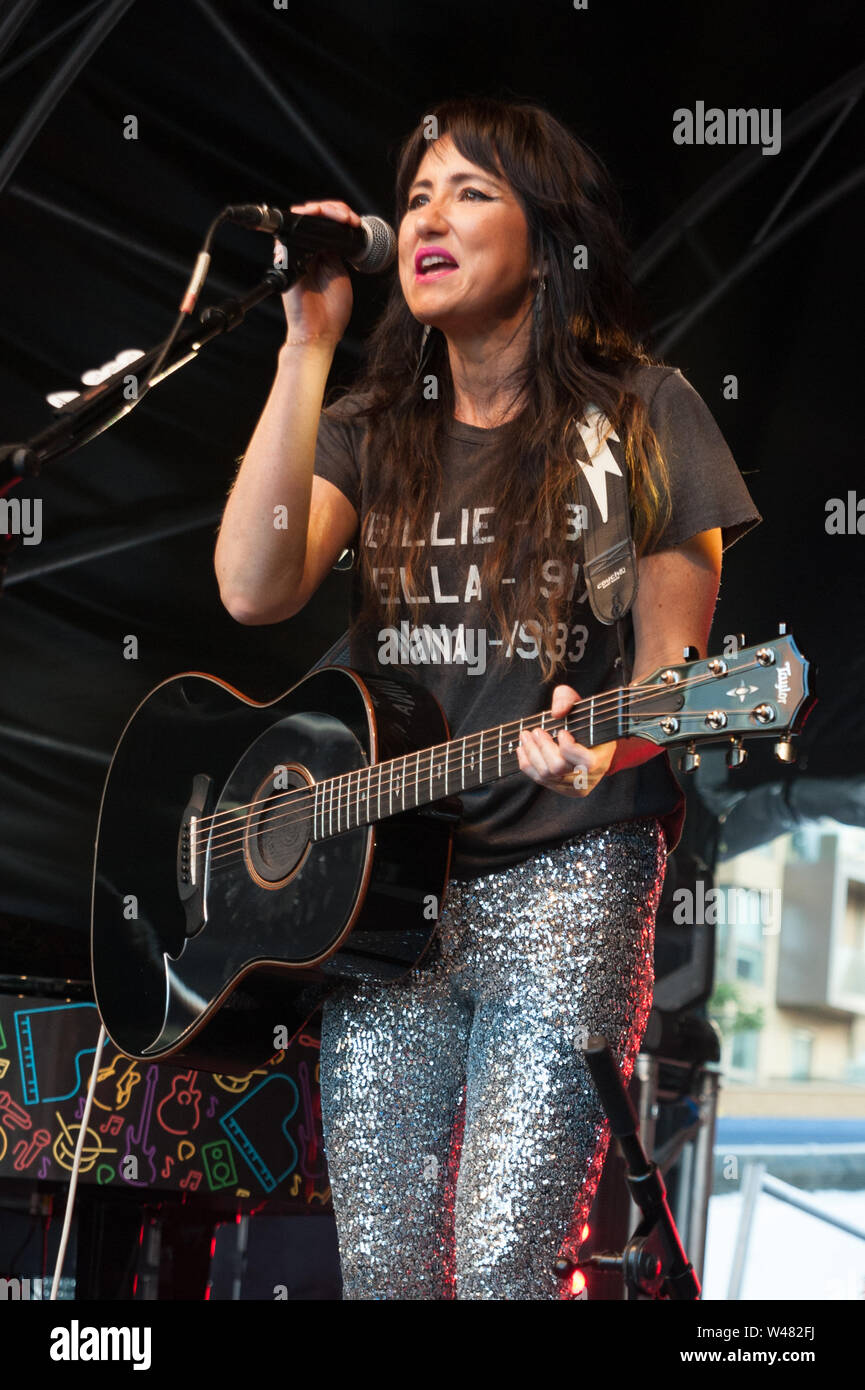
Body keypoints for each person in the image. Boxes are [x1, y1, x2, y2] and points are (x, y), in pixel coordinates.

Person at [214, 97, 760, 1300]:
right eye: (415, 195)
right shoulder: (374, 426)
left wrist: (601, 751)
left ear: (548, 238)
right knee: (385, 1270)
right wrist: (305, 346)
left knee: (508, 1260)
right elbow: (254, 586)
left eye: (469, 192)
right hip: (385, 891)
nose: (426, 217)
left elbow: (674, 684)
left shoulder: (643, 411)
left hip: (567, 874)